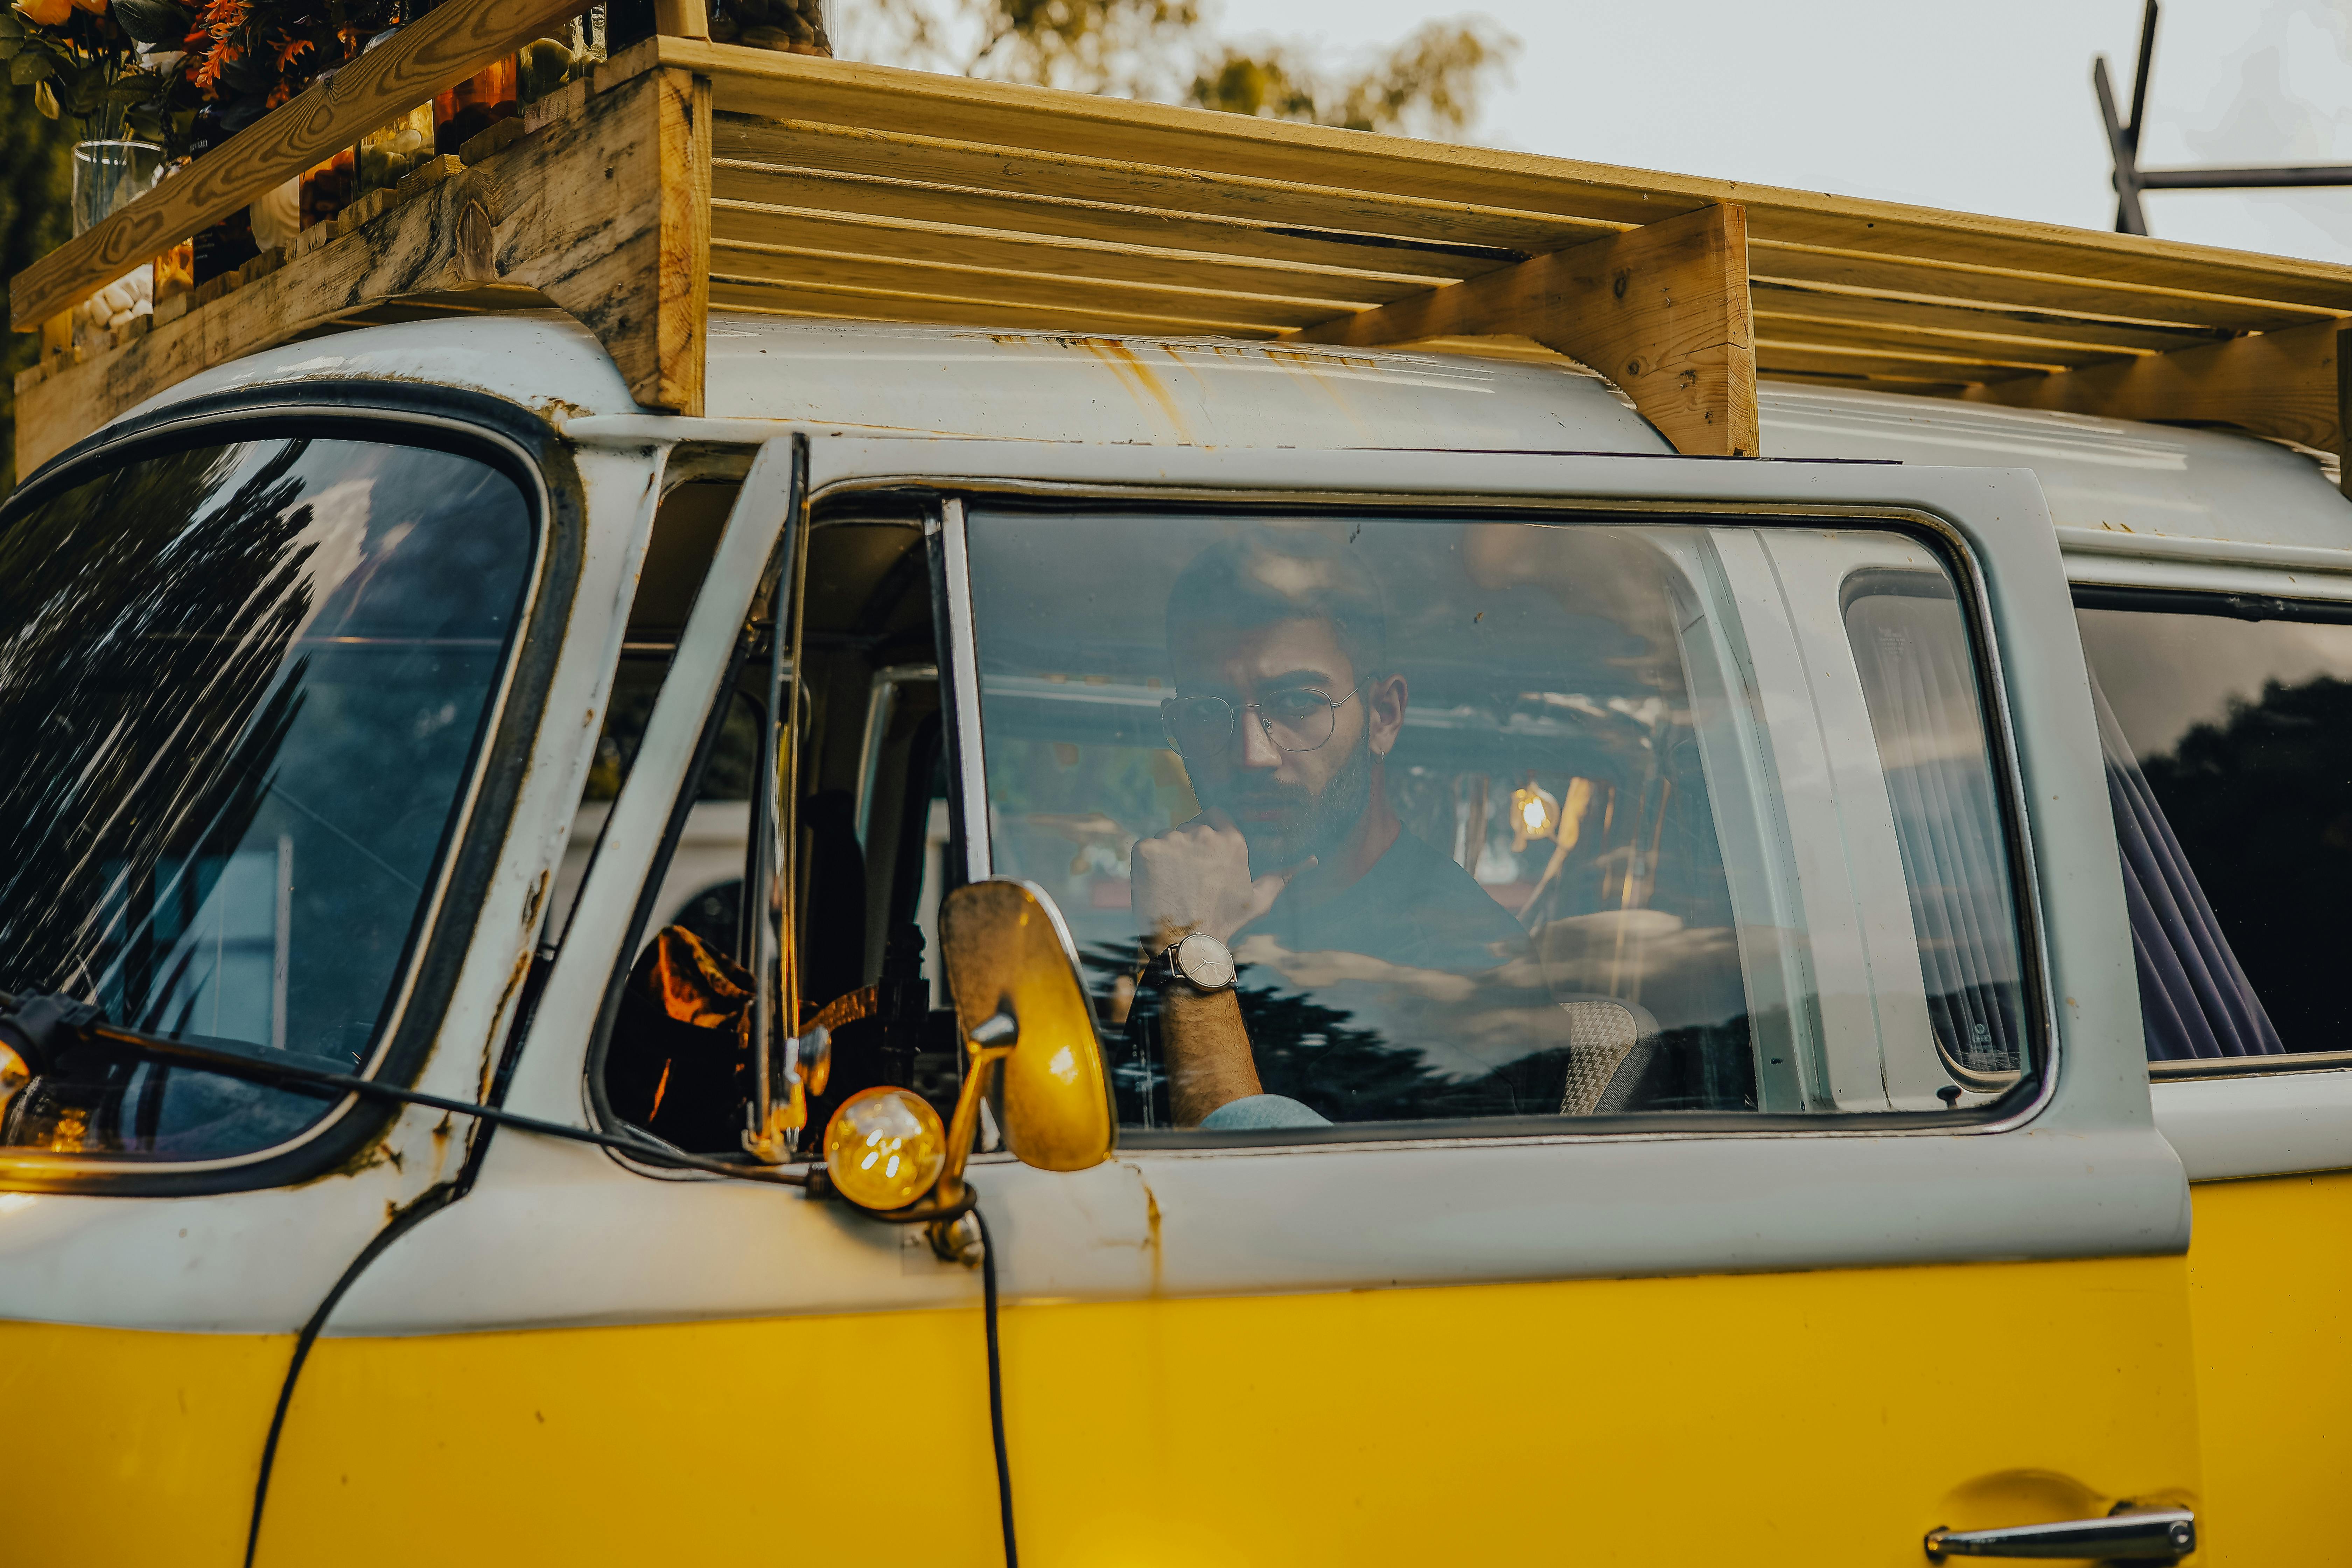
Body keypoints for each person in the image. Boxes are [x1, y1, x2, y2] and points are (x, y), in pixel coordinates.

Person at [1128, 528, 1547, 1130]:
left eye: (1297, 704)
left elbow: (1321, 1215)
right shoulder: (1213, 914)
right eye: (1205, 712)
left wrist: (1191, 955)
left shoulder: (1462, 958)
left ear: (1383, 716)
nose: (1252, 755)